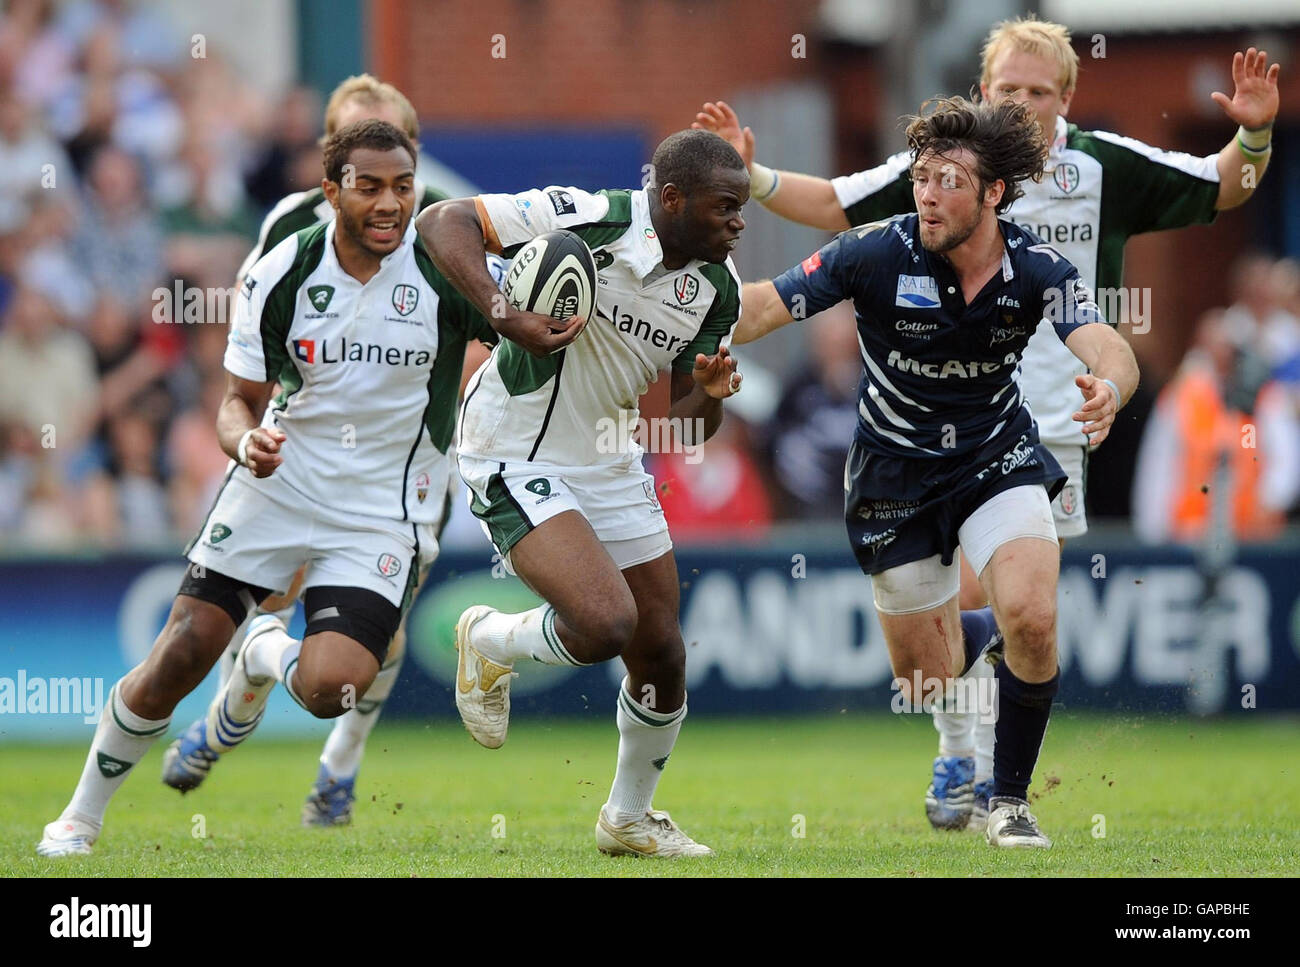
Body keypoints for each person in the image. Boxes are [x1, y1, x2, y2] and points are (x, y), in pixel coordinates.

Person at [696, 18, 1280, 831]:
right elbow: (826, 213)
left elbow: (1222, 188)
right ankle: (954, 733)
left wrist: (1252, 133)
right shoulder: (929, 186)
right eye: (1009, 89)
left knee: (1025, 613)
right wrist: (744, 190)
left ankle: (995, 789)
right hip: (903, 454)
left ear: (1067, 100)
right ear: (983, 93)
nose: (1023, 103)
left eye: (1040, 91)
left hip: (1039, 432)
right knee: (930, 660)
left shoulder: (1094, 177)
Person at [36, 119, 498, 856]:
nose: (390, 204)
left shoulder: (445, 263)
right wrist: (243, 439)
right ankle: (80, 817)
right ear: (331, 191)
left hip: (383, 507)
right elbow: (237, 399)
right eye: (370, 186)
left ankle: (263, 654)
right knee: (182, 651)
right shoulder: (282, 267)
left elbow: (516, 329)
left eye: (403, 187)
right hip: (279, 481)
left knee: (329, 688)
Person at [735, 96, 1139, 847]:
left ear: (993, 194)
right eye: (922, 176)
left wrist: (1109, 385)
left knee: (1034, 617)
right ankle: (970, 638)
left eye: (949, 179)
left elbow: (1109, 345)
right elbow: (765, 304)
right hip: (894, 478)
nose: (927, 193)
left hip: (997, 457)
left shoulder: (1037, 269)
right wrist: (699, 328)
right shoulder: (872, 252)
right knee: (927, 674)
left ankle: (1010, 800)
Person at [163, 74, 497, 827]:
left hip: (409, 466)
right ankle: (229, 708)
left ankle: (337, 769)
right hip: (301, 447)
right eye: (352, 139)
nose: (377, 176)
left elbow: (488, 331)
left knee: (383, 630)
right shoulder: (288, 224)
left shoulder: (441, 222)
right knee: (265, 596)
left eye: (387, 143)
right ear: (329, 154)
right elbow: (256, 332)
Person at [416, 128, 747, 857]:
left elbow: (683, 432)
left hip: (610, 456)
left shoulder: (715, 291)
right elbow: (441, 221)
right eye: (725, 206)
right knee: (603, 623)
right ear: (672, 199)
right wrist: (504, 312)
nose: (738, 222)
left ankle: (628, 818)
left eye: (741, 208)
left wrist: (713, 397)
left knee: (660, 648)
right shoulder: (589, 216)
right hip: (512, 444)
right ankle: (490, 638)